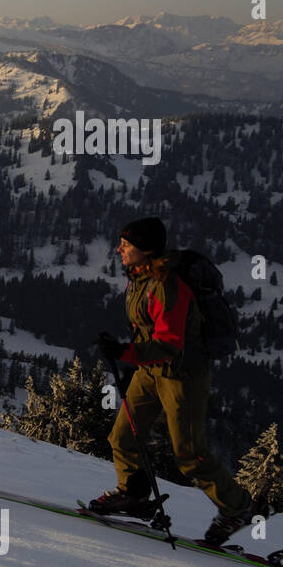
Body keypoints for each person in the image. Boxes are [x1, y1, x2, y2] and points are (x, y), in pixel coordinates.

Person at [90, 216, 255, 543]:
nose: (119, 248)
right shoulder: (139, 276)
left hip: (183, 376)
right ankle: (132, 494)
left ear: (146, 249)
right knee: (122, 437)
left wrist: (124, 352)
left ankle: (238, 508)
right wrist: (128, 351)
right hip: (150, 371)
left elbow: (168, 344)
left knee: (189, 455)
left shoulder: (168, 286)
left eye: (127, 244)